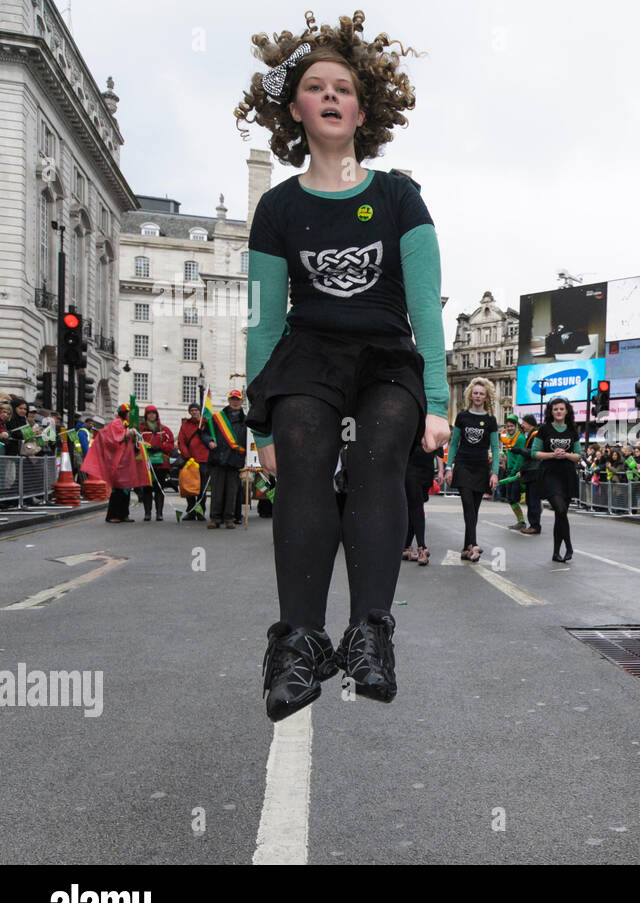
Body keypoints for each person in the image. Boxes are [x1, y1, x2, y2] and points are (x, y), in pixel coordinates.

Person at [236, 10, 449, 721]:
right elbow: (264, 322)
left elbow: (425, 310)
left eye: (344, 87)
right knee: (302, 445)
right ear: (294, 108)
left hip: (385, 353)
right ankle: (298, 643)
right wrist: (260, 431)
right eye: (314, 86)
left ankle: (369, 634)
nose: (330, 95)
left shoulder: (397, 197)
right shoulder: (277, 208)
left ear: (363, 107)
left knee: (382, 444)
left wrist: (439, 402)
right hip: (309, 356)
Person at [447, 378, 499, 562]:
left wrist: (494, 472)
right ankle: (474, 544)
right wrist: (448, 467)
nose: (478, 396)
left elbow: (495, 448)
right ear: (471, 394)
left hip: (481, 468)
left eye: (481, 393)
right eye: (475, 393)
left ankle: (465, 547)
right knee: (468, 505)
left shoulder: (491, 420)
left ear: (486, 397)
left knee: (474, 510)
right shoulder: (462, 417)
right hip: (463, 466)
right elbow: (453, 444)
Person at [532, 396, 583, 562]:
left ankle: (556, 552)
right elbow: (535, 453)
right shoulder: (544, 429)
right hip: (550, 474)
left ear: (566, 411)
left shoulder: (572, 430)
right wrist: (553, 454)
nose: (559, 411)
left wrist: (566, 454)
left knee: (561, 515)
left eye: (561, 409)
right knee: (560, 510)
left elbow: (578, 456)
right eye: (555, 409)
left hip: (567, 475)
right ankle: (568, 546)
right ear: (551, 412)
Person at [80, 404, 150, 523]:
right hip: (119, 461)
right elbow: (114, 438)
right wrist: (127, 434)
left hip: (127, 461)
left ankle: (124, 514)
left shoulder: (128, 424)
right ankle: (114, 515)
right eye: (128, 413)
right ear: (124, 413)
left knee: (126, 489)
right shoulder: (117, 423)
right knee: (118, 489)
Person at [206, 390, 248, 530]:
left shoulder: (246, 420)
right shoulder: (217, 418)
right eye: (233, 399)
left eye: (238, 399)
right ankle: (215, 518)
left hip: (235, 460)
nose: (235, 402)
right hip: (218, 458)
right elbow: (205, 433)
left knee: (232, 492)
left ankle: (229, 518)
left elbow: (250, 441)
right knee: (217, 491)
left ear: (241, 401)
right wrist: (209, 441)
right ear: (229, 400)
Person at [134, 405, 175, 522]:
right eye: (149, 413)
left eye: (153, 413)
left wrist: (160, 447)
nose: (151, 415)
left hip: (161, 464)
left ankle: (159, 513)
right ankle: (147, 513)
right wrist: (145, 448)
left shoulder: (164, 430)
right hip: (146, 464)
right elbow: (136, 444)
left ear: (157, 415)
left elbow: (171, 445)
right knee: (147, 488)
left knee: (159, 489)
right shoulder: (140, 430)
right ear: (146, 415)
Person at [177, 403, 216, 520]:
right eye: (192, 410)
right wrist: (187, 455)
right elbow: (181, 441)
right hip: (190, 460)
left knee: (201, 488)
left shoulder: (207, 423)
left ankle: (200, 511)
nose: (194, 412)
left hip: (203, 460)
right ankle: (191, 510)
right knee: (189, 487)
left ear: (200, 411)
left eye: (196, 410)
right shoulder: (185, 425)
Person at [402, 443, 439, 566]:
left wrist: (442, 470)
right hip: (411, 467)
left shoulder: (434, 423)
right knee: (417, 507)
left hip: (427, 470)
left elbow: (439, 447)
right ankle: (422, 547)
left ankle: (406, 547)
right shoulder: (411, 423)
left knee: (414, 508)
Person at [498, 413, 527, 529]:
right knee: (511, 498)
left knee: (513, 497)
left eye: (511, 426)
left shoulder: (520, 438)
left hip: (516, 471)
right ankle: (521, 521)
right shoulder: (509, 439)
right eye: (508, 426)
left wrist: (514, 471)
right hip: (510, 470)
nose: (509, 428)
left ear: (516, 426)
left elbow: (520, 457)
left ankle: (522, 521)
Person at [516, 413, 543, 535]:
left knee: (533, 500)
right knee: (530, 499)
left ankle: (535, 525)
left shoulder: (536, 435)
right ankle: (533, 523)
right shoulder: (531, 435)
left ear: (529, 423)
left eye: (524, 423)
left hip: (535, 471)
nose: (522, 425)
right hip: (530, 470)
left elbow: (534, 452)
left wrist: (520, 450)